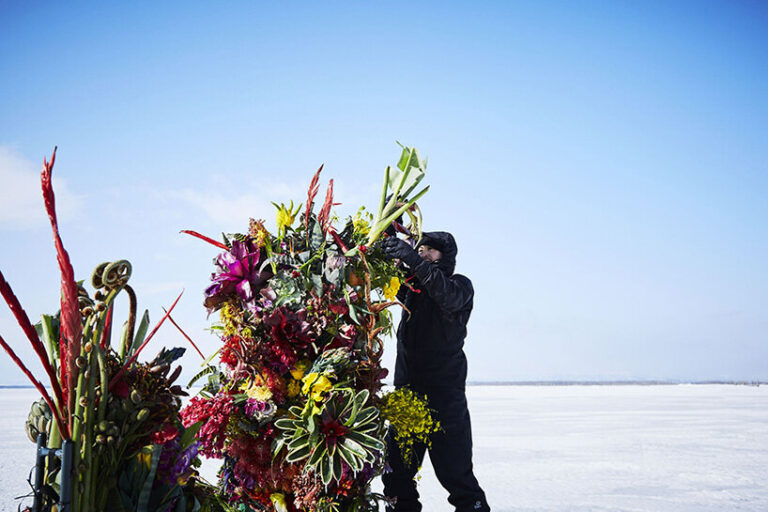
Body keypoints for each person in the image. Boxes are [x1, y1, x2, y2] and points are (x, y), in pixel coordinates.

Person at [380, 231, 490, 512]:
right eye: (421, 249)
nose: (424, 253)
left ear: (446, 256)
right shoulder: (411, 289)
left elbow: (444, 292)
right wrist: (391, 233)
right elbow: (384, 278)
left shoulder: (459, 286)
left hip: (444, 401)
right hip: (407, 398)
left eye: (431, 250)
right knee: (396, 479)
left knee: (458, 479)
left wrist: (414, 260)